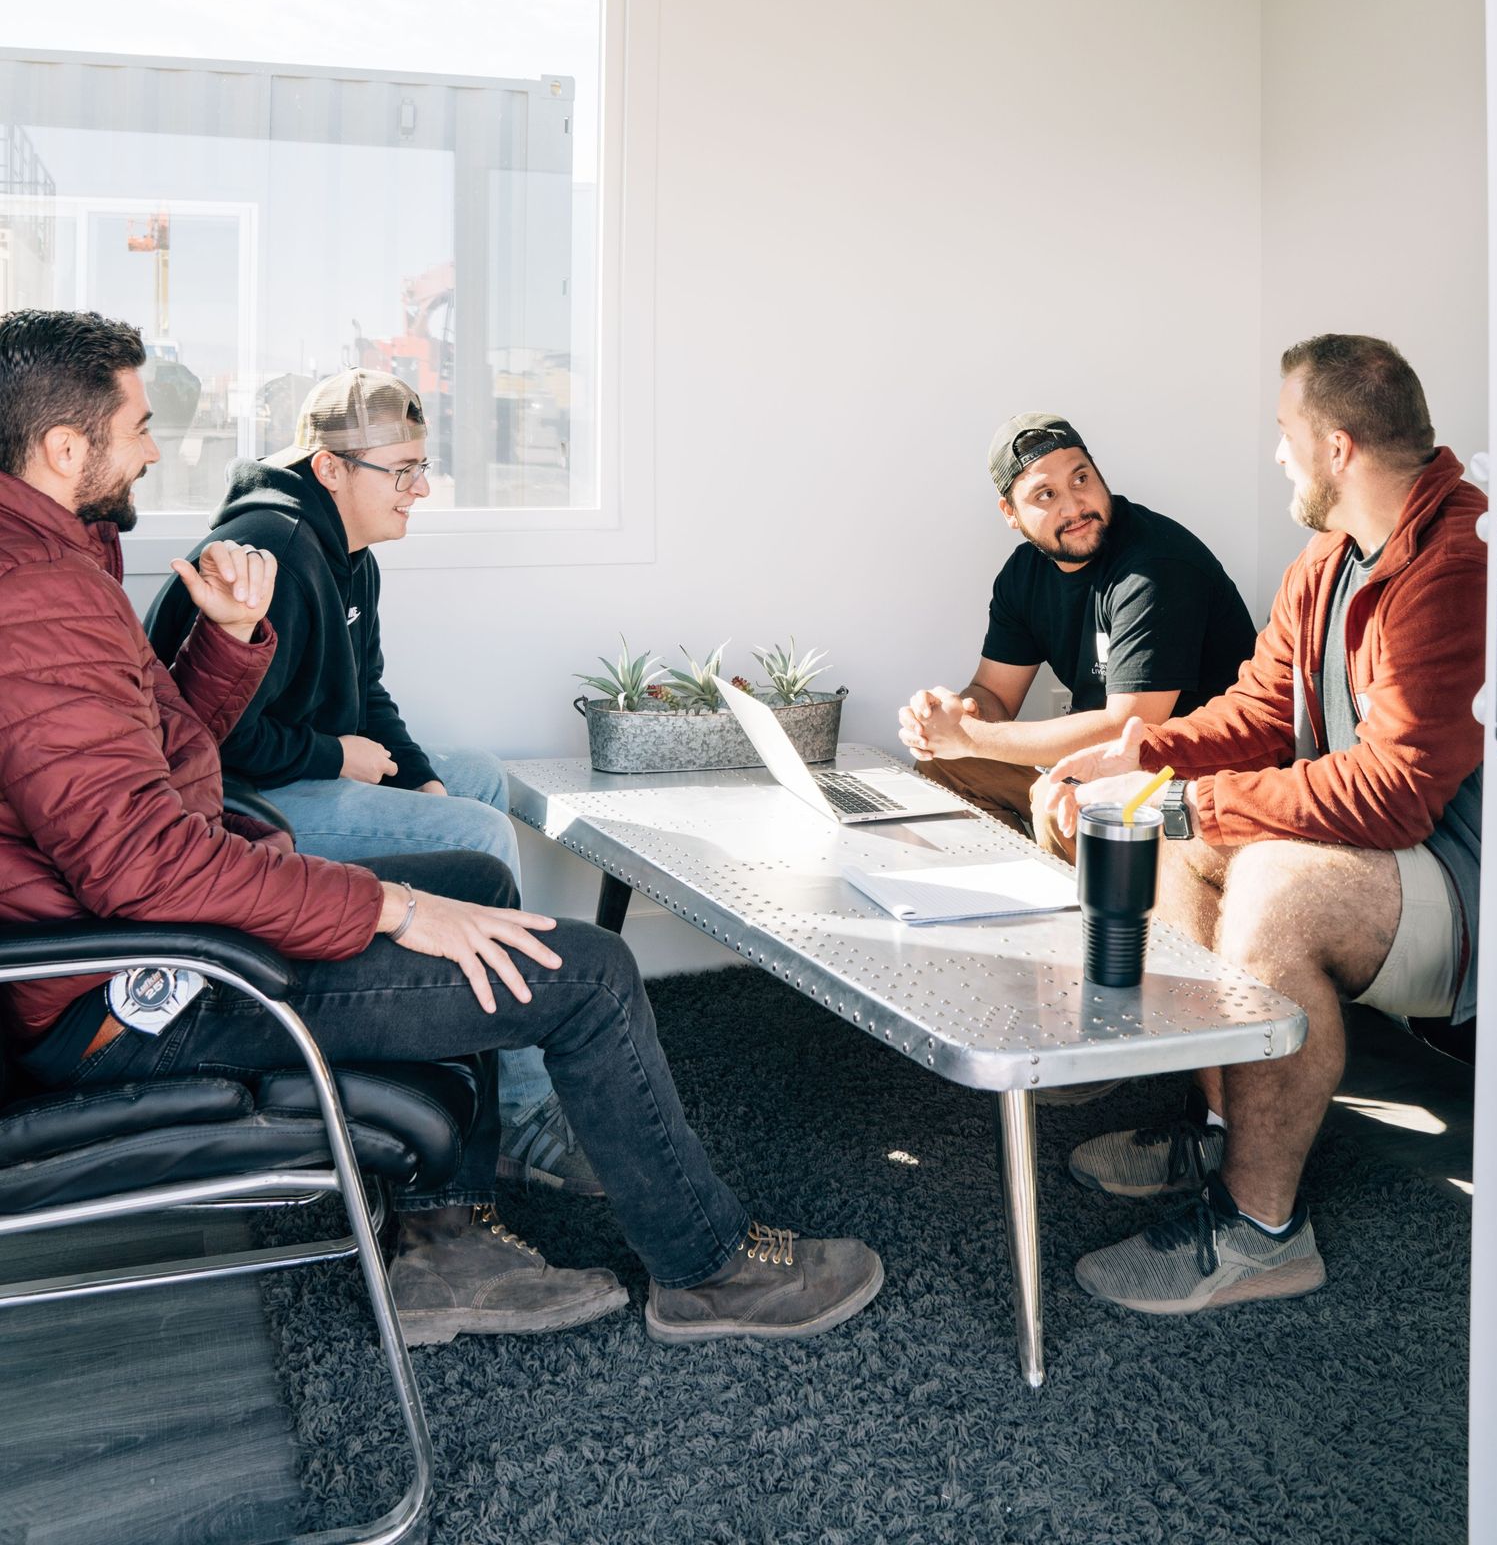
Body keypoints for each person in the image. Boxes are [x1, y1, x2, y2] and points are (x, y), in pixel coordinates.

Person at [0, 310, 882, 1348]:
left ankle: (445, 1242)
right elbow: (141, 864)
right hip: (137, 996)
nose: (154, 447)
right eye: (139, 424)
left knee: (474, 873)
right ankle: (708, 1269)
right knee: (589, 971)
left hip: (152, 952)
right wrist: (388, 905)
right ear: (66, 449)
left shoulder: (58, 564)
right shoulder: (39, 594)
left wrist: (231, 646)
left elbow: (162, 765)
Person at [1035, 335, 1484, 1316]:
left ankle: (1259, 1232)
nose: (1274, 454)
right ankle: (1221, 1123)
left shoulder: (1458, 564)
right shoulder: (1323, 562)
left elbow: (1397, 792)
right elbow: (1257, 714)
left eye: (1284, 434)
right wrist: (1140, 758)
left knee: (1273, 884)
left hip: (1465, 880)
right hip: (1384, 849)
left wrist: (1192, 799)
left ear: (1336, 446)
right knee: (1182, 847)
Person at [144, 369, 583, 1197]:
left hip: (302, 771)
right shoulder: (270, 547)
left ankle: (488, 1044)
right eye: (401, 471)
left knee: (477, 785)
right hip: (242, 810)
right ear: (331, 469)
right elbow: (212, 739)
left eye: (424, 467)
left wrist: (416, 782)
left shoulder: (353, 555)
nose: (419, 489)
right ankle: (525, 1109)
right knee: (481, 839)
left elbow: (367, 691)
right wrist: (333, 757)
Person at [898, 413, 1256, 844]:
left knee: (1058, 799)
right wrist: (951, 718)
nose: (1073, 507)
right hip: (1100, 764)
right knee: (943, 764)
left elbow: (1130, 726)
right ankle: (1013, 893)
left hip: (1191, 778)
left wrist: (973, 737)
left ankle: (1081, 900)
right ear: (1010, 513)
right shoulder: (1024, 575)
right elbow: (993, 694)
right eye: (1045, 494)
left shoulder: (1156, 567)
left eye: (1081, 479)